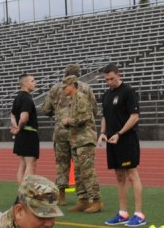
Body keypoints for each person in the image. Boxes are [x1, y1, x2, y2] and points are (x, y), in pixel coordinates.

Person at [98, 63, 146, 227]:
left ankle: (139, 214)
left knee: (132, 175)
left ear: (119, 75)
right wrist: (102, 133)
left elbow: (134, 117)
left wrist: (119, 134)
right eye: (106, 80)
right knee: (119, 177)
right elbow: (105, 116)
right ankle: (123, 213)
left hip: (126, 139)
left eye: (111, 78)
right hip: (112, 140)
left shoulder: (128, 92)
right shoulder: (106, 95)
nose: (109, 82)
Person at [57, 75, 103, 213]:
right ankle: (83, 200)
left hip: (85, 139)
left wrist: (68, 121)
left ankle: (96, 201)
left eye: (65, 86)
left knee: (88, 171)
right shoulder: (72, 100)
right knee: (78, 172)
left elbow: (84, 117)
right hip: (76, 140)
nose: (63, 89)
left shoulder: (81, 97)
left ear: (72, 85)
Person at [40, 64, 84, 204]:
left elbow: (46, 109)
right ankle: (82, 197)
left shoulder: (55, 89)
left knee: (61, 164)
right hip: (78, 132)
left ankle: (62, 197)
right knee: (79, 165)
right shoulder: (82, 88)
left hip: (60, 132)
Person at [9, 72, 40, 183]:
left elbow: (12, 115)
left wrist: (15, 126)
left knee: (22, 165)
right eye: (32, 81)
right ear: (26, 84)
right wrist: (19, 127)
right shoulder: (27, 98)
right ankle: (26, 195)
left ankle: (21, 195)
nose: (35, 83)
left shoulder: (17, 97)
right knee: (31, 165)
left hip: (21, 136)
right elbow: (24, 117)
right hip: (29, 134)